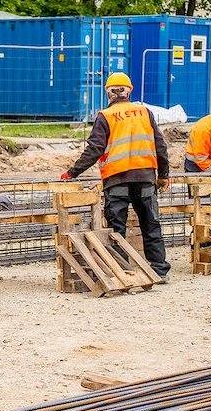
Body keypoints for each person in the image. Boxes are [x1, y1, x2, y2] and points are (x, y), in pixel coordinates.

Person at [60, 72, 171, 280]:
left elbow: (94, 150)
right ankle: (159, 270)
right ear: (130, 91)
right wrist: (163, 175)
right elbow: (161, 146)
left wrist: (71, 173)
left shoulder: (105, 116)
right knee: (150, 223)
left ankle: (122, 271)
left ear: (108, 93)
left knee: (116, 230)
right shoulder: (144, 112)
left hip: (117, 180)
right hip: (146, 177)